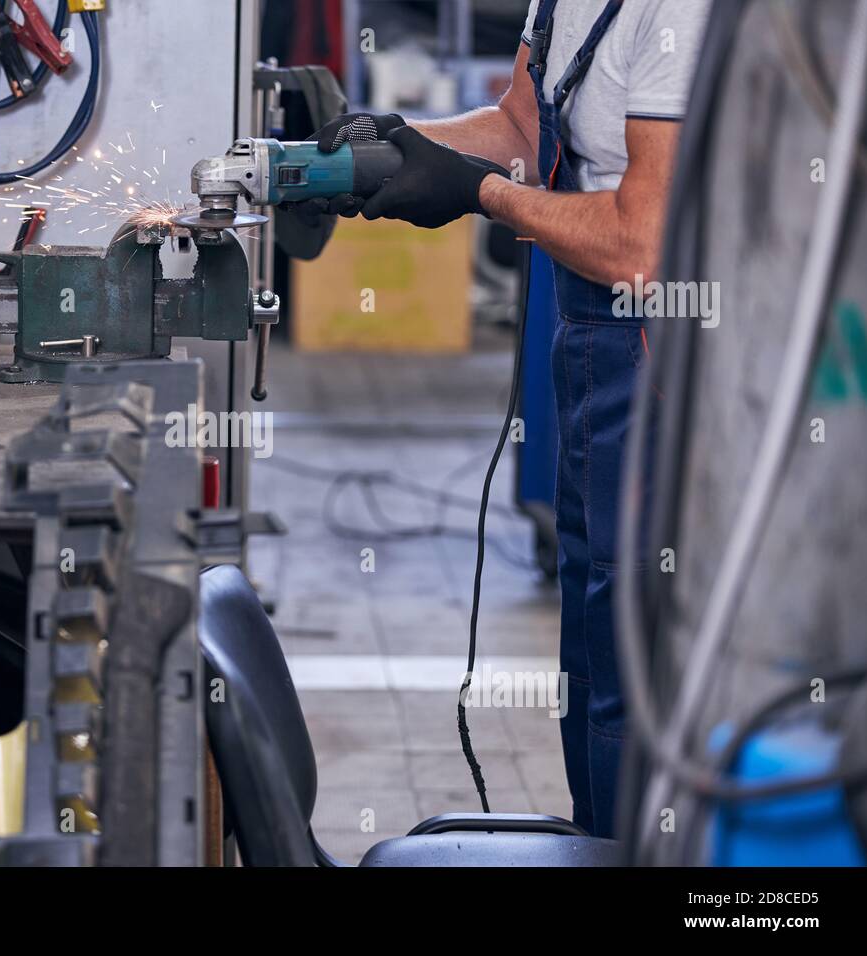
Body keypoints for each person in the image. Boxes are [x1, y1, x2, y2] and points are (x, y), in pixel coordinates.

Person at [300, 0, 707, 838]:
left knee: (644, 654)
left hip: (668, 356)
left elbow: (643, 246)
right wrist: (397, 147)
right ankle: (603, 840)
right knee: (594, 645)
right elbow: (524, 127)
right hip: (592, 340)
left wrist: (478, 194)